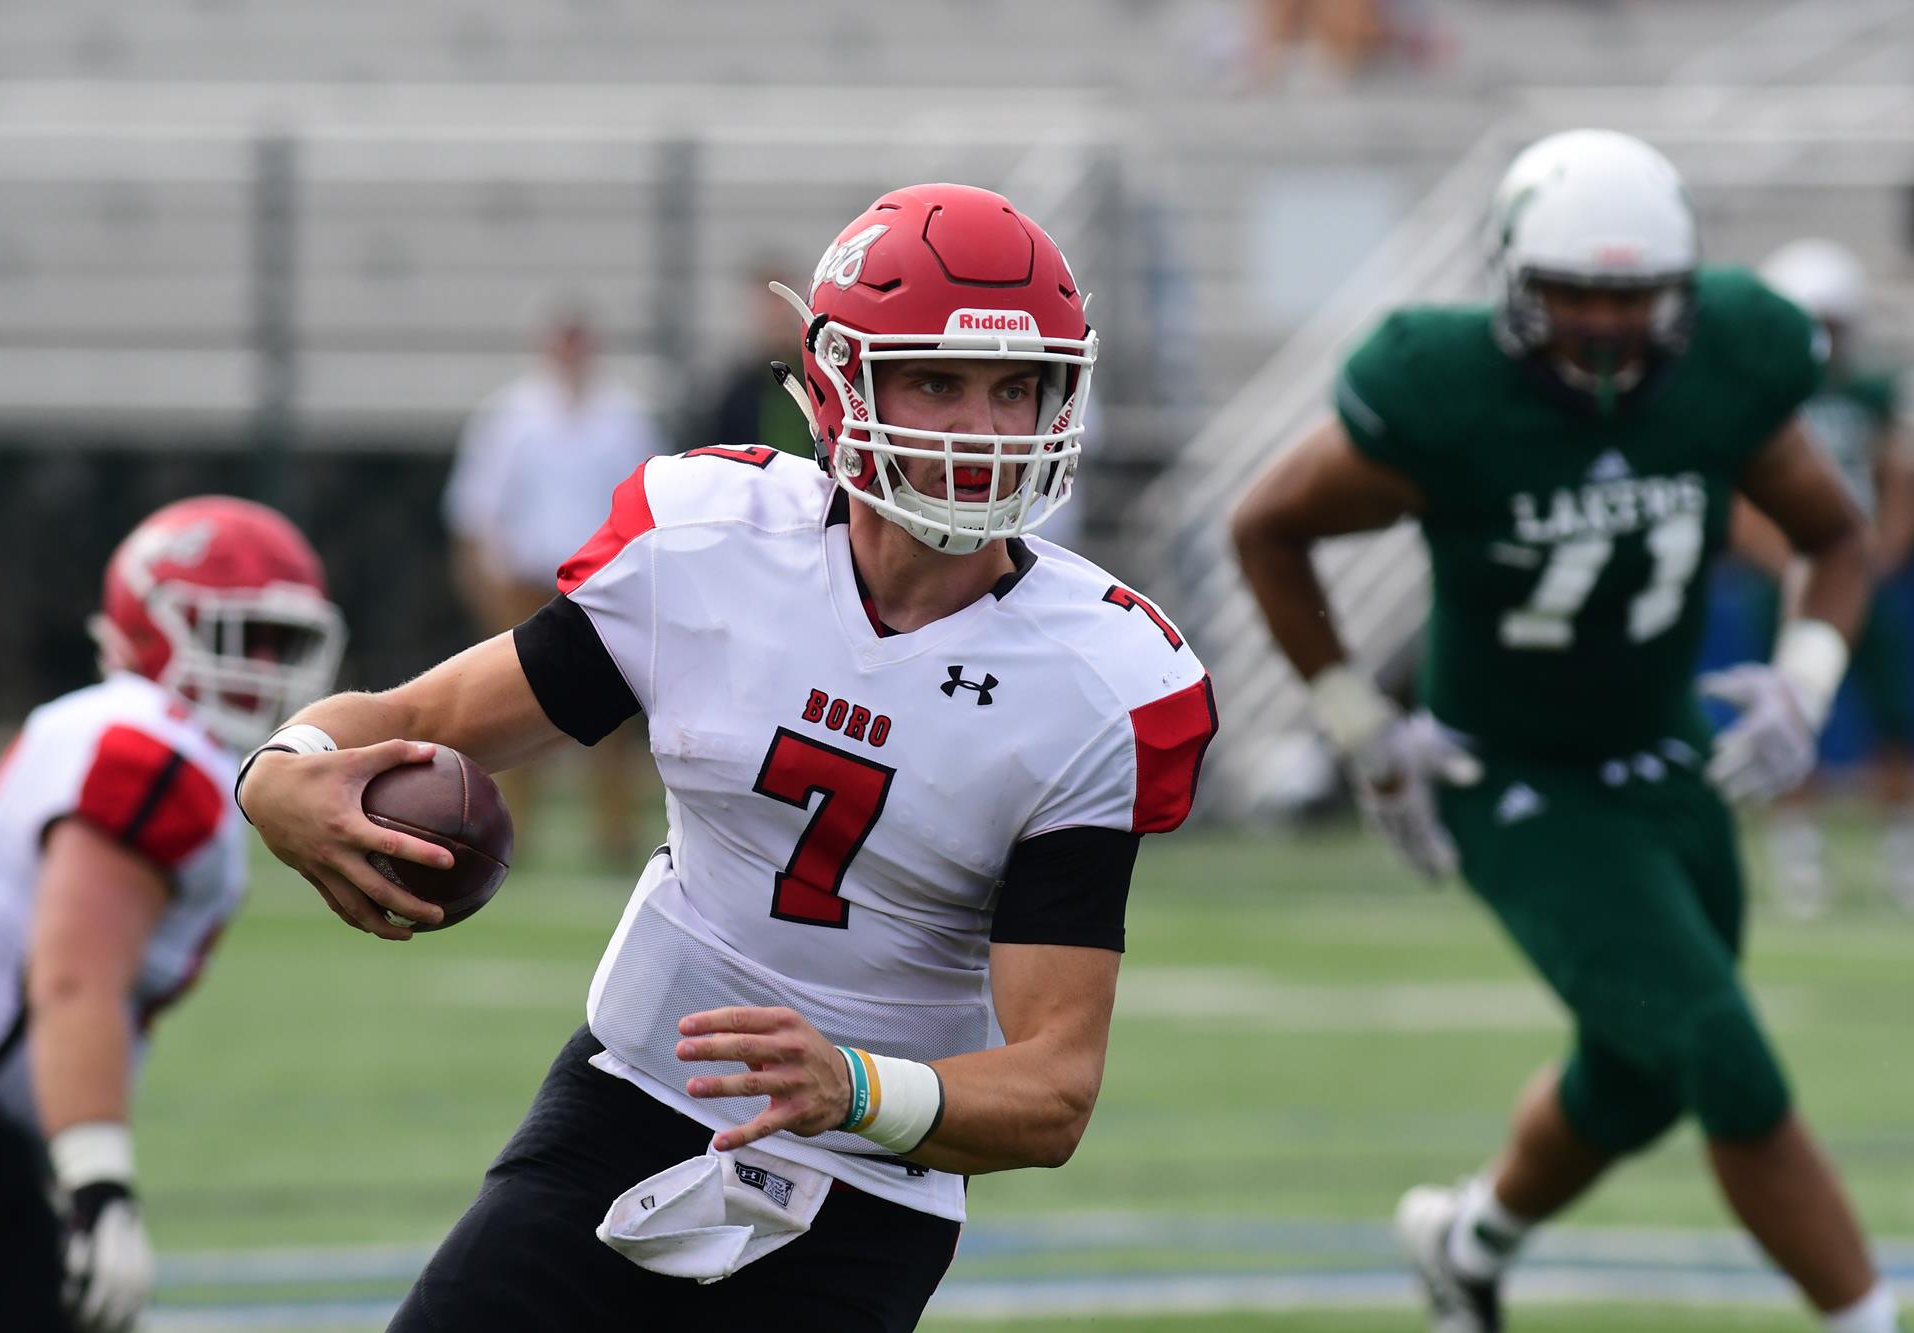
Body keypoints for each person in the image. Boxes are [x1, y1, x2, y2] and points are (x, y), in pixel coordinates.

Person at [235, 183, 1216, 1333]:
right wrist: (280, 767)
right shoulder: (707, 546)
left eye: (1016, 388)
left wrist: (850, 1085)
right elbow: (420, 714)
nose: (983, 427)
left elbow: (1053, 1089)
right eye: (936, 381)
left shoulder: (1097, 684)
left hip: (873, 1177)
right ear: (841, 383)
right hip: (627, 1100)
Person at [1232, 130, 1901, 1333]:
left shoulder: (1729, 361)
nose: (1602, 324)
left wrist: (1804, 676)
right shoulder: (1443, 390)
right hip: (1511, 775)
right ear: (1511, 285)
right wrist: (1363, 728)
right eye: (1573, 293)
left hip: (1665, 763)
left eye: (1631, 294)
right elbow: (1266, 528)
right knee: (1721, 1056)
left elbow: (1833, 534)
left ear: (1681, 293)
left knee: (1640, 1075)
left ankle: (1465, 1238)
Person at [0, 497, 345, 1333]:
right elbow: (75, 976)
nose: (264, 665)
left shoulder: (117, 727)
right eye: (240, 635)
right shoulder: (154, 752)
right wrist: (97, 1180)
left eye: (282, 643)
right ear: (157, 625)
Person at [442, 298, 667, 863]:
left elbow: (650, 503)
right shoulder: (511, 415)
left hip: (601, 580)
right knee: (511, 712)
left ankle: (614, 834)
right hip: (525, 577)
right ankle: (510, 831)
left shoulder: (624, 416)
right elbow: (476, 512)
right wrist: (489, 590)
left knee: (611, 711)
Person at [1745, 238, 1914, 915]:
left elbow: (1899, 476)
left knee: (1895, 719)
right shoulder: (1758, 395)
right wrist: (1784, 559)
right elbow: (1735, 494)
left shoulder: (1869, 392)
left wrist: (1877, 553)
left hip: (1868, 574)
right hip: (1783, 577)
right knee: (1782, 716)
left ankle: (1902, 851)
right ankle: (1799, 859)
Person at [699, 261, 818, 461]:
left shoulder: (818, 380)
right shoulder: (737, 394)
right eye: (767, 305)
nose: (775, 315)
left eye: (780, 303)